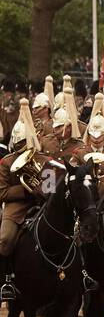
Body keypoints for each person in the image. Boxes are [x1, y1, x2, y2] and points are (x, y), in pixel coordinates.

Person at [0, 101, 47, 302]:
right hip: (17, 208)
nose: (22, 149)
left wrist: (42, 190)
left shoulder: (46, 161)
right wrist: (27, 190)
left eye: (25, 144)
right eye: (19, 145)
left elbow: (51, 189)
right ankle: (6, 281)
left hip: (43, 205)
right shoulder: (6, 162)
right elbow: (2, 193)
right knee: (4, 240)